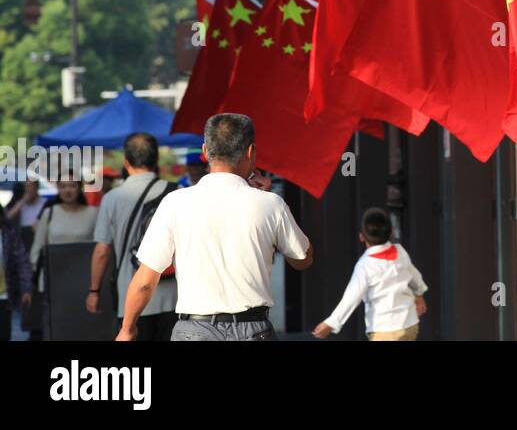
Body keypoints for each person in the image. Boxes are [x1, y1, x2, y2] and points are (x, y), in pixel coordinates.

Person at [118, 113, 313, 342]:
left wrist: (127, 329)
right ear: (250, 152)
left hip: (193, 330)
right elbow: (303, 259)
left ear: (204, 151)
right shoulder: (270, 204)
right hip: (253, 330)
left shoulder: (175, 203)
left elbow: (145, 281)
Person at [88, 134, 179, 341]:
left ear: (126, 162)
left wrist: (94, 290)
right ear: (156, 161)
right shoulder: (176, 193)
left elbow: (102, 251)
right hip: (174, 296)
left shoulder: (112, 199)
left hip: (131, 299)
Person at [313, 208, 428, 341]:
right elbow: (413, 275)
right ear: (391, 231)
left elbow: (352, 297)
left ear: (361, 236)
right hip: (410, 324)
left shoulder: (365, 265)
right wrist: (419, 294)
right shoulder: (400, 251)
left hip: (385, 330)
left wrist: (331, 323)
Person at [29, 179, 98, 341]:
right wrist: (39, 281)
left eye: (72, 185)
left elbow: (99, 248)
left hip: (84, 282)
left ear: (79, 188)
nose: (68, 190)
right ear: (58, 189)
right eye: (63, 186)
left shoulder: (94, 213)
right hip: (55, 282)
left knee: (83, 326)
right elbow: (38, 248)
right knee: (57, 328)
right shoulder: (49, 213)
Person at [0, 208, 33, 342]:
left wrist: (26, 288)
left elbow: (22, 261)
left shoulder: (8, 234)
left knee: (3, 335)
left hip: (3, 295)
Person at [4, 180, 46, 253]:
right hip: (22, 237)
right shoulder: (20, 204)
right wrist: (22, 201)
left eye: (31, 187)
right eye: (26, 187)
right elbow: (8, 218)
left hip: (38, 234)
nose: (29, 190)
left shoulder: (44, 203)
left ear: (36, 188)